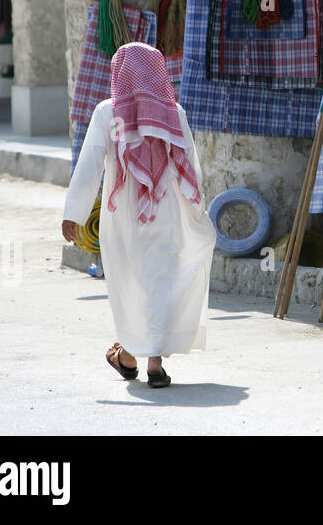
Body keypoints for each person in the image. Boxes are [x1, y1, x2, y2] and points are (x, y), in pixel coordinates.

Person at [62, 41, 216, 388]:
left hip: (123, 216)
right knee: (161, 279)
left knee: (130, 282)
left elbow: (89, 167)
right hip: (167, 212)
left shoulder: (107, 112)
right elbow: (189, 167)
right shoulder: (173, 112)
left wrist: (73, 214)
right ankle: (153, 364)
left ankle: (129, 353)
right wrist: (197, 211)